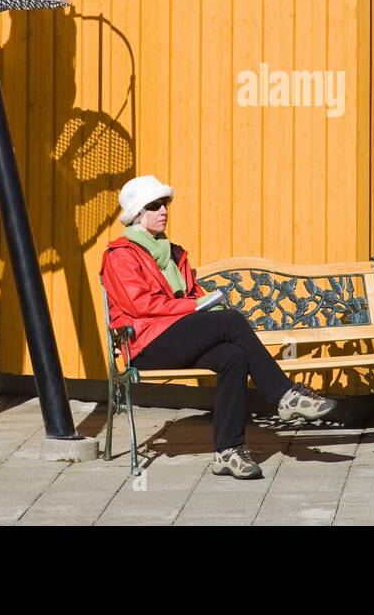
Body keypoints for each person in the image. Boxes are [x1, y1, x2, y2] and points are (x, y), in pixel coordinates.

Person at [100, 175, 337, 479]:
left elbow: (191, 294)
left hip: (176, 336)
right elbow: (140, 306)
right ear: (137, 214)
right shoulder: (121, 256)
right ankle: (284, 395)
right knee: (231, 321)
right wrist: (194, 307)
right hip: (145, 344)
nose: (164, 211)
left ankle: (228, 452)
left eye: (166, 204)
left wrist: (206, 302)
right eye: (155, 205)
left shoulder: (173, 253)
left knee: (232, 357)